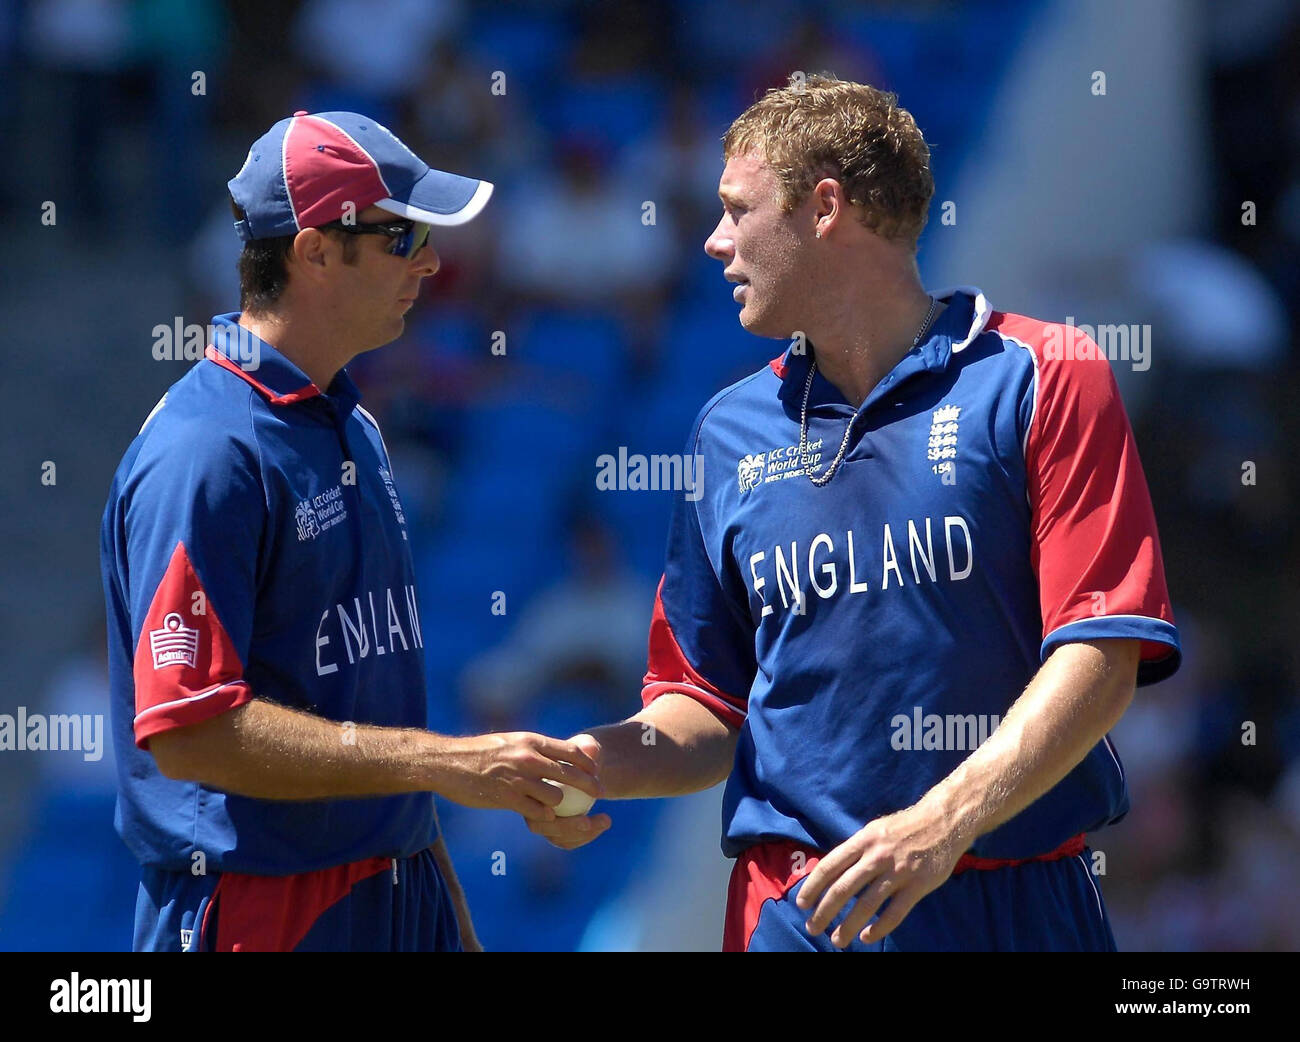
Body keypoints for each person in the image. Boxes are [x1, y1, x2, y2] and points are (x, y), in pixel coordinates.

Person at [529, 75, 1181, 952]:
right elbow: (704, 707)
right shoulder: (727, 431)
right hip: (802, 911)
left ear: (824, 206)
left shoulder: (1044, 372)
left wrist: (939, 827)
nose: (716, 242)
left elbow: (1101, 657)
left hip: (1017, 902)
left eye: (736, 208)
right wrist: (583, 764)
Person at [100, 110, 601, 952]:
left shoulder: (351, 424)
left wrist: (447, 914)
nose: (434, 262)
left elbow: (373, 709)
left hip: (395, 892)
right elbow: (186, 729)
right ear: (315, 251)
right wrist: (448, 765)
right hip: (263, 910)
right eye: (402, 238)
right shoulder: (206, 449)